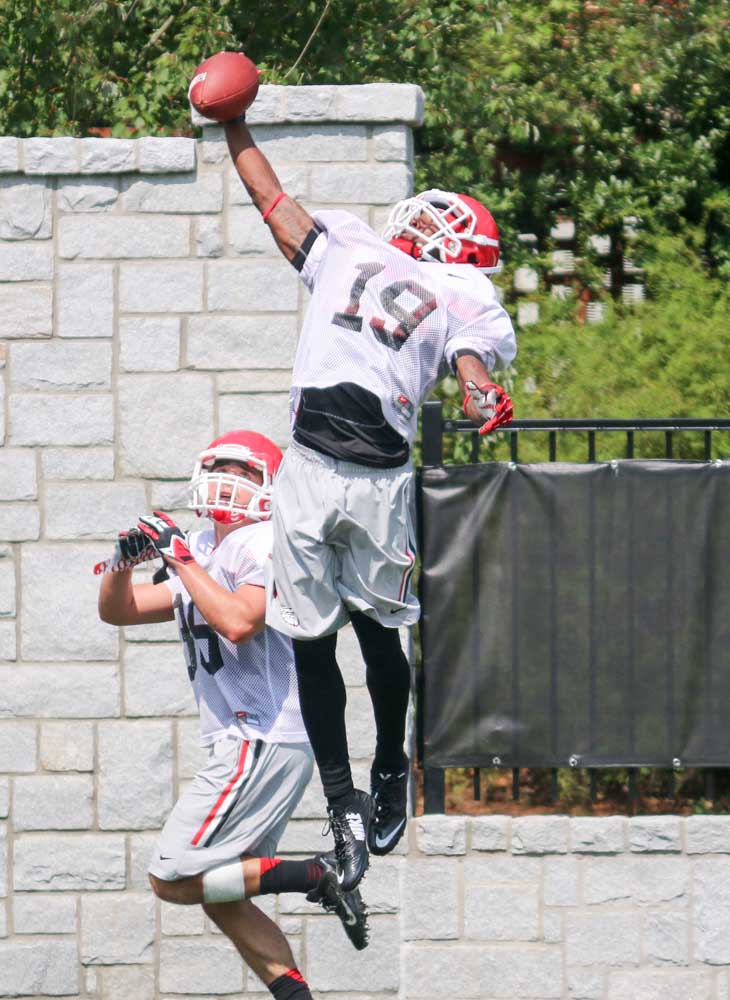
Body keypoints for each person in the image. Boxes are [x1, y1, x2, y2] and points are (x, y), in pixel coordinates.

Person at [220, 94, 517, 891]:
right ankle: (343, 801)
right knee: (312, 643)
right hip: (310, 469)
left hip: (377, 480)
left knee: (379, 637)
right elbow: (272, 203)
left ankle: (390, 762)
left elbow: (470, 353)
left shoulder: (456, 288)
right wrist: (231, 124)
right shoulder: (347, 249)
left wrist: (477, 390)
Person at [97, 430, 369, 1000]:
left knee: (171, 877)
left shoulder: (264, 541)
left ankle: (319, 875)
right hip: (246, 738)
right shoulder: (203, 545)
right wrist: (123, 563)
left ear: (268, 486)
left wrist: (180, 558)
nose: (226, 476)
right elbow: (119, 610)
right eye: (218, 465)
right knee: (223, 892)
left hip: (262, 733)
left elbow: (240, 620)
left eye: (242, 471)